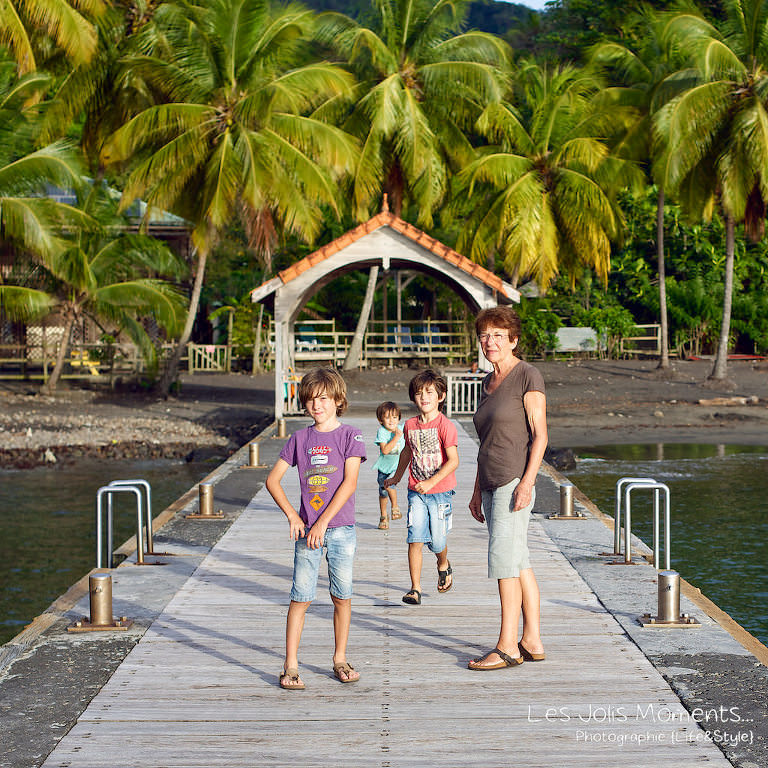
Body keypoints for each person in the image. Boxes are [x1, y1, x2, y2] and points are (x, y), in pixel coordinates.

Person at [266, 368, 366, 690]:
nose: (316, 405)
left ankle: (339, 657)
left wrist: (323, 522)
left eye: (323, 398)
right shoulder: (299, 439)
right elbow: (272, 480)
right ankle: (291, 664)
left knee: (342, 596)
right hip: (307, 532)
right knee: (301, 597)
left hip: (340, 530)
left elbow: (350, 482)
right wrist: (294, 517)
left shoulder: (351, 435)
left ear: (338, 400)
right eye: (309, 399)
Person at [467, 306, 548, 671]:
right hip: (489, 479)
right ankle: (531, 639)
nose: (491, 342)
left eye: (499, 335)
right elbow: (487, 441)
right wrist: (474, 489)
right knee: (519, 561)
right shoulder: (487, 384)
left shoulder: (527, 376)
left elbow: (541, 436)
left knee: (504, 564)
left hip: (513, 481)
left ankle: (507, 647)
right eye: (485, 335)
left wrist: (527, 483)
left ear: (513, 340)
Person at [385, 369, 459, 605]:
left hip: (440, 492)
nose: (423, 397)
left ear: (441, 396)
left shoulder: (445, 426)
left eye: (429, 392)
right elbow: (407, 452)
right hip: (415, 491)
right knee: (415, 538)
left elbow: (453, 461)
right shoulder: (410, 425)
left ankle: (443, 563)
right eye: (418, 393)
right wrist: (396, 477)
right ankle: (415, 588)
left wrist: (432, 482)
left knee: (437, 541)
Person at [373, 401, 405, 529]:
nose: (391, 421)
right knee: (383, 493)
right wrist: (396, 438)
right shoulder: (382, 432)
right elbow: (385, 450)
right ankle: (383, 516)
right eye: (387, 418)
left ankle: (395, 507)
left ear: (399, 418)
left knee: (389, 484)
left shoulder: (402, 429)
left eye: (395, 417)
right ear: (381, 420)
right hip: (383, 467)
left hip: (397, 466)